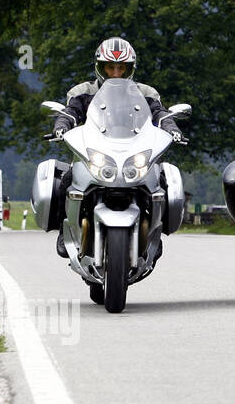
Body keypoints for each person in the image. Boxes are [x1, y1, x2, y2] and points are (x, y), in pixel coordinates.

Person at [51, 37, 185, 259]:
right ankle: (64, 231)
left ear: (129, 68)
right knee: (67, 180)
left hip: (134, 151)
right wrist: (61, 126)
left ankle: (155, 232)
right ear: (100, 67)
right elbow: (70, 112)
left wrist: (172, 128)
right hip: (95, 151)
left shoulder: (145, 92)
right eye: (110, 67)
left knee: (160, 182)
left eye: (121, 67)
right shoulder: (83, 91)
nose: (115, 72)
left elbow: (160, 114)